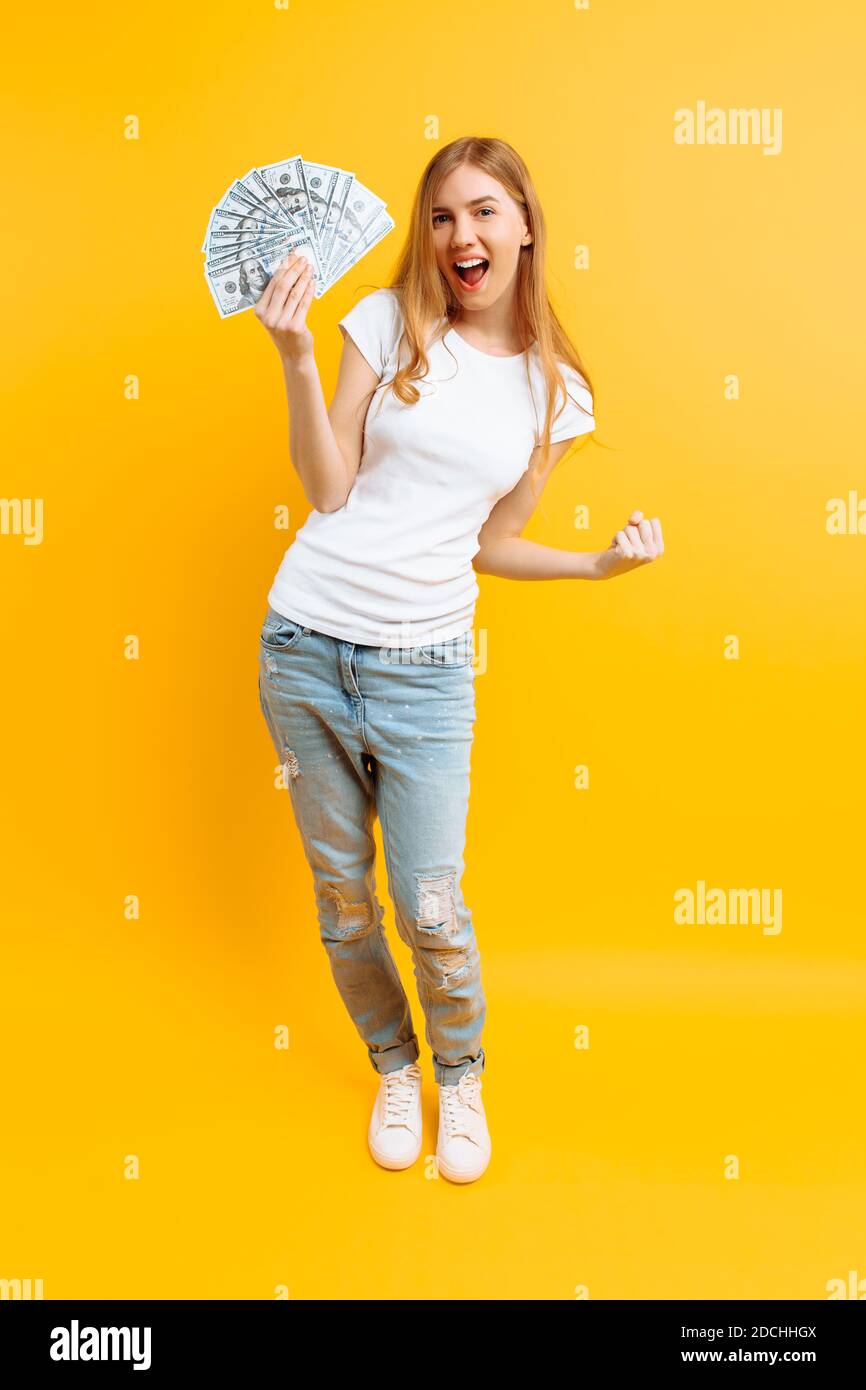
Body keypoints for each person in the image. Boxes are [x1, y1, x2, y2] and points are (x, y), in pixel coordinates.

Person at [254, 135, 664, 1185]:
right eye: (439, 217)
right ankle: (394, 1065)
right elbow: (329, 489)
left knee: (429, 900)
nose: (458, 236)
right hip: (303, 642)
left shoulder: (554, 392)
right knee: (343, 898)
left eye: (480, 211)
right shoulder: (386, 324)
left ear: (524, 223)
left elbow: (489, 539)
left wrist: (591, 566)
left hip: (425, 670)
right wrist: (298, 359)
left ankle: (461, 1076)